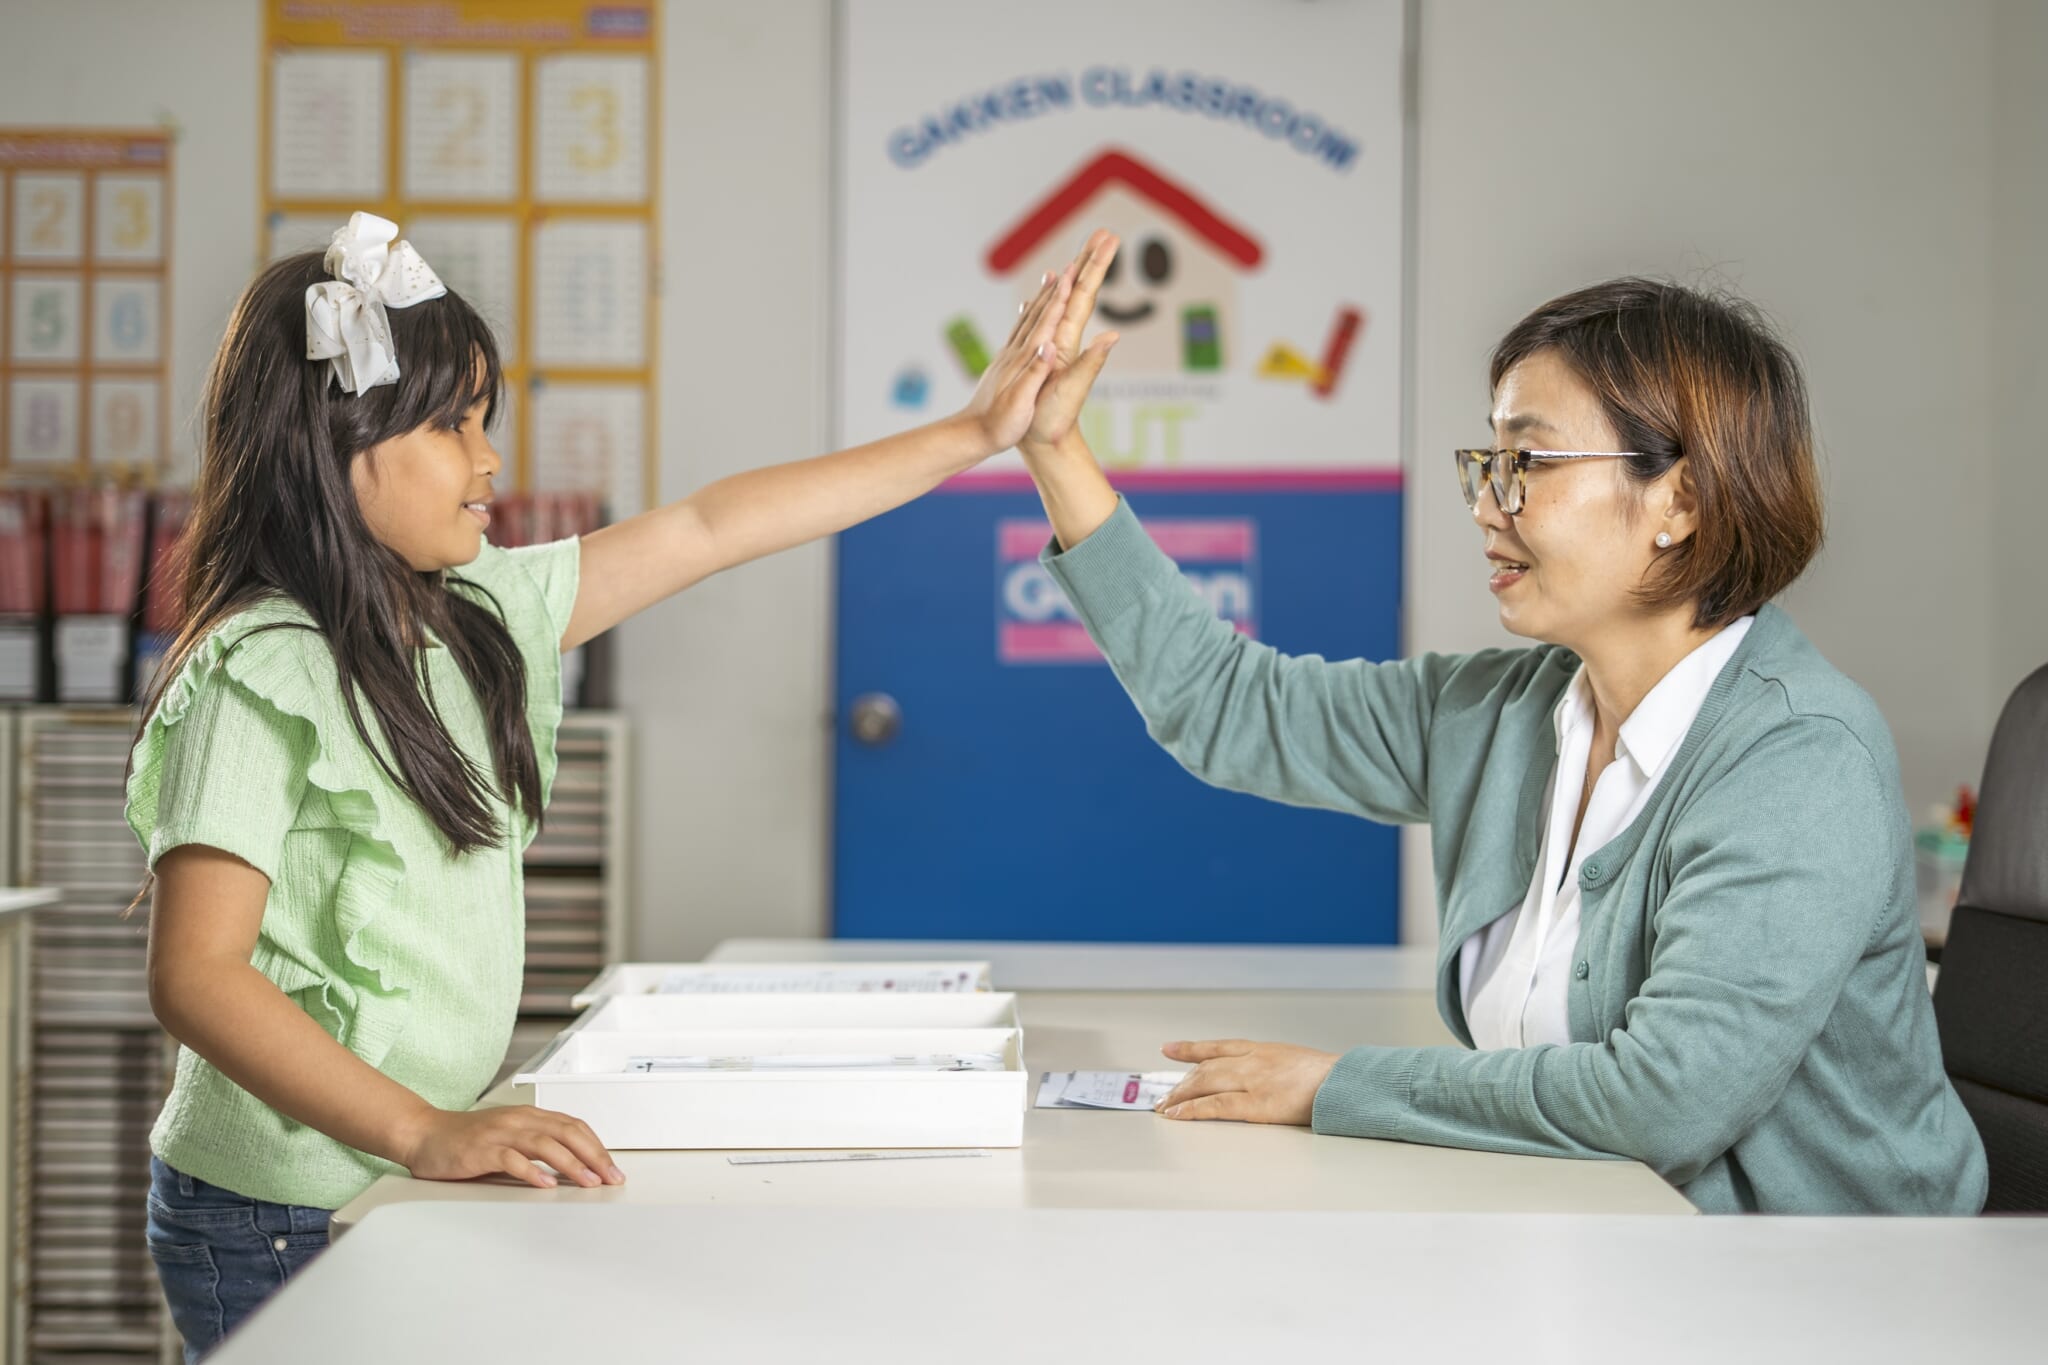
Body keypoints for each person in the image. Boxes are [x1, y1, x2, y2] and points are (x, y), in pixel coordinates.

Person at [130, 211, 1099, 1358]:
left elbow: (710, 525)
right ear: (330, 440)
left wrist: (973, 432)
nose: (489, 461)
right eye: (451, 425)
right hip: (274, 1207)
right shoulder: (260, 669)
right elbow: (197, 976)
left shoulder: (481, 613)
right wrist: (425, 1131)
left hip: (391, 1169)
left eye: (485, 422)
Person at [1011, 230, 1985, 1214]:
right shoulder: (1496, 712)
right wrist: (1054, 450)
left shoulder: (1796, 759)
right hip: (1595, 1249)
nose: (1485, 504)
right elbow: (1225, 706)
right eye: (1484, 460)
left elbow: (1664, 1102)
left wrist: (1331, 1087)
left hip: (1823, 1297)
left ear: (1680, 498)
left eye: (1526, 461)